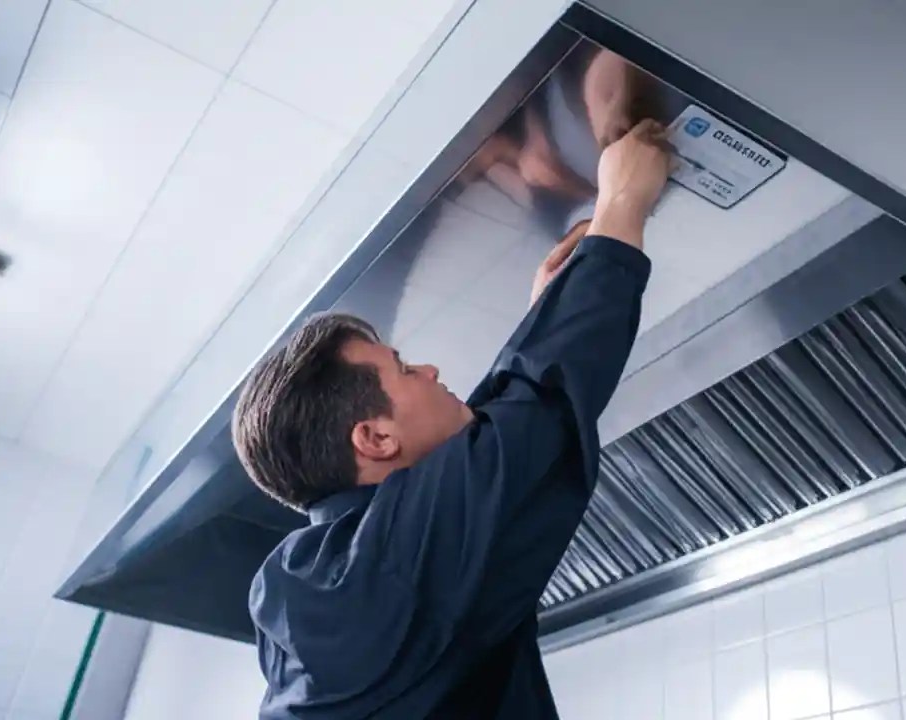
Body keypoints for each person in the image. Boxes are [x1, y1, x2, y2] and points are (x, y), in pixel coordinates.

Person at [231, 119, 673, 719]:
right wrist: (622, 203)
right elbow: (530, 423)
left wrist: (546, 312)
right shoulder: (379, 575)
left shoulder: (301, 585)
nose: (432, 370)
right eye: (406, 368)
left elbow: (481, 461)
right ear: (375, 438)